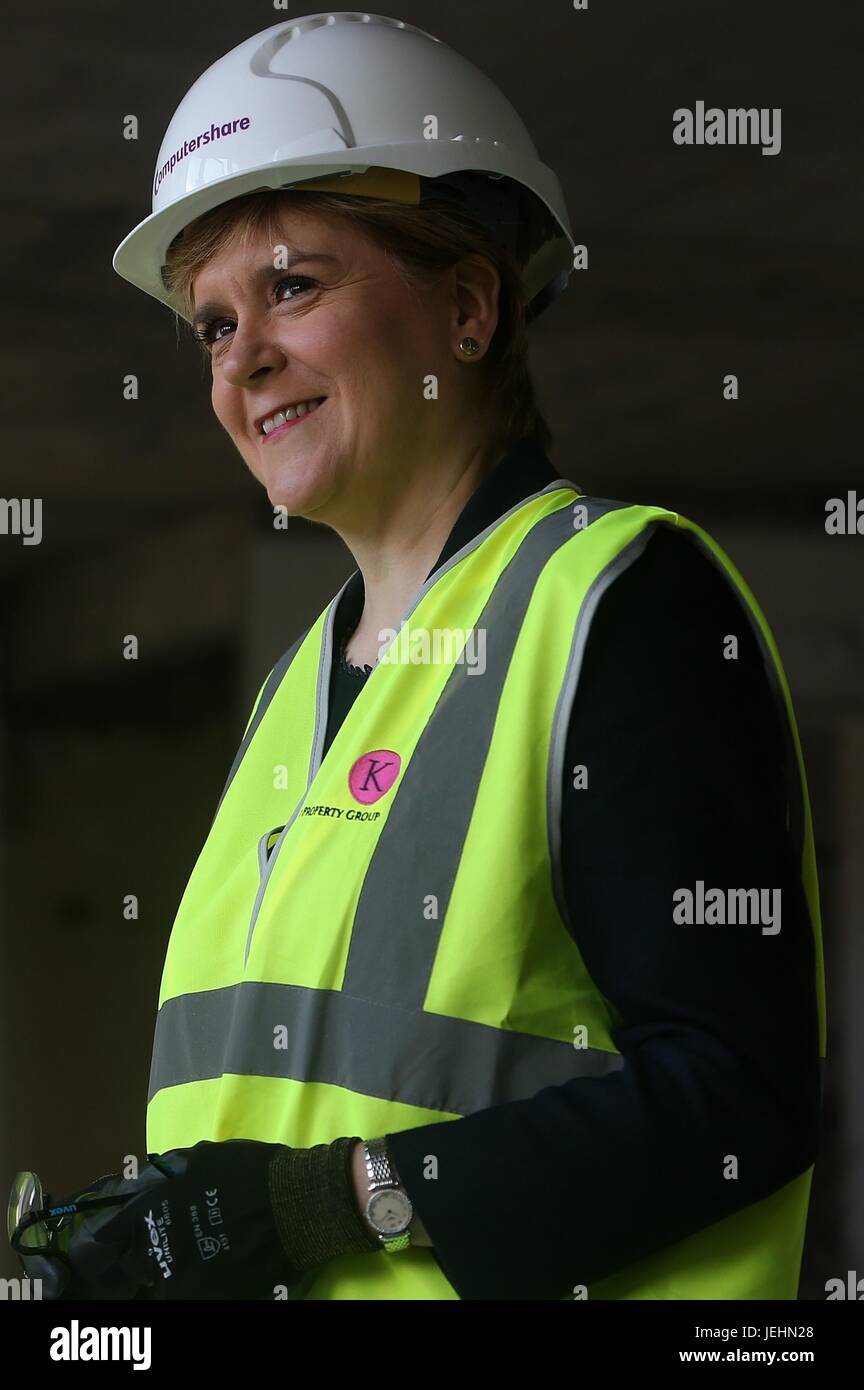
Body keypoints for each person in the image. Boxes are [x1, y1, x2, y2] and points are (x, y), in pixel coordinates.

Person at [61, 12, 822, 1301]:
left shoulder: (618, 604)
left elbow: (737, 1096)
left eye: (293, 288)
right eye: (212, 325)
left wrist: (332, 1202)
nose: (245, 359)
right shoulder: (293, 695)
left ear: (468, 306)